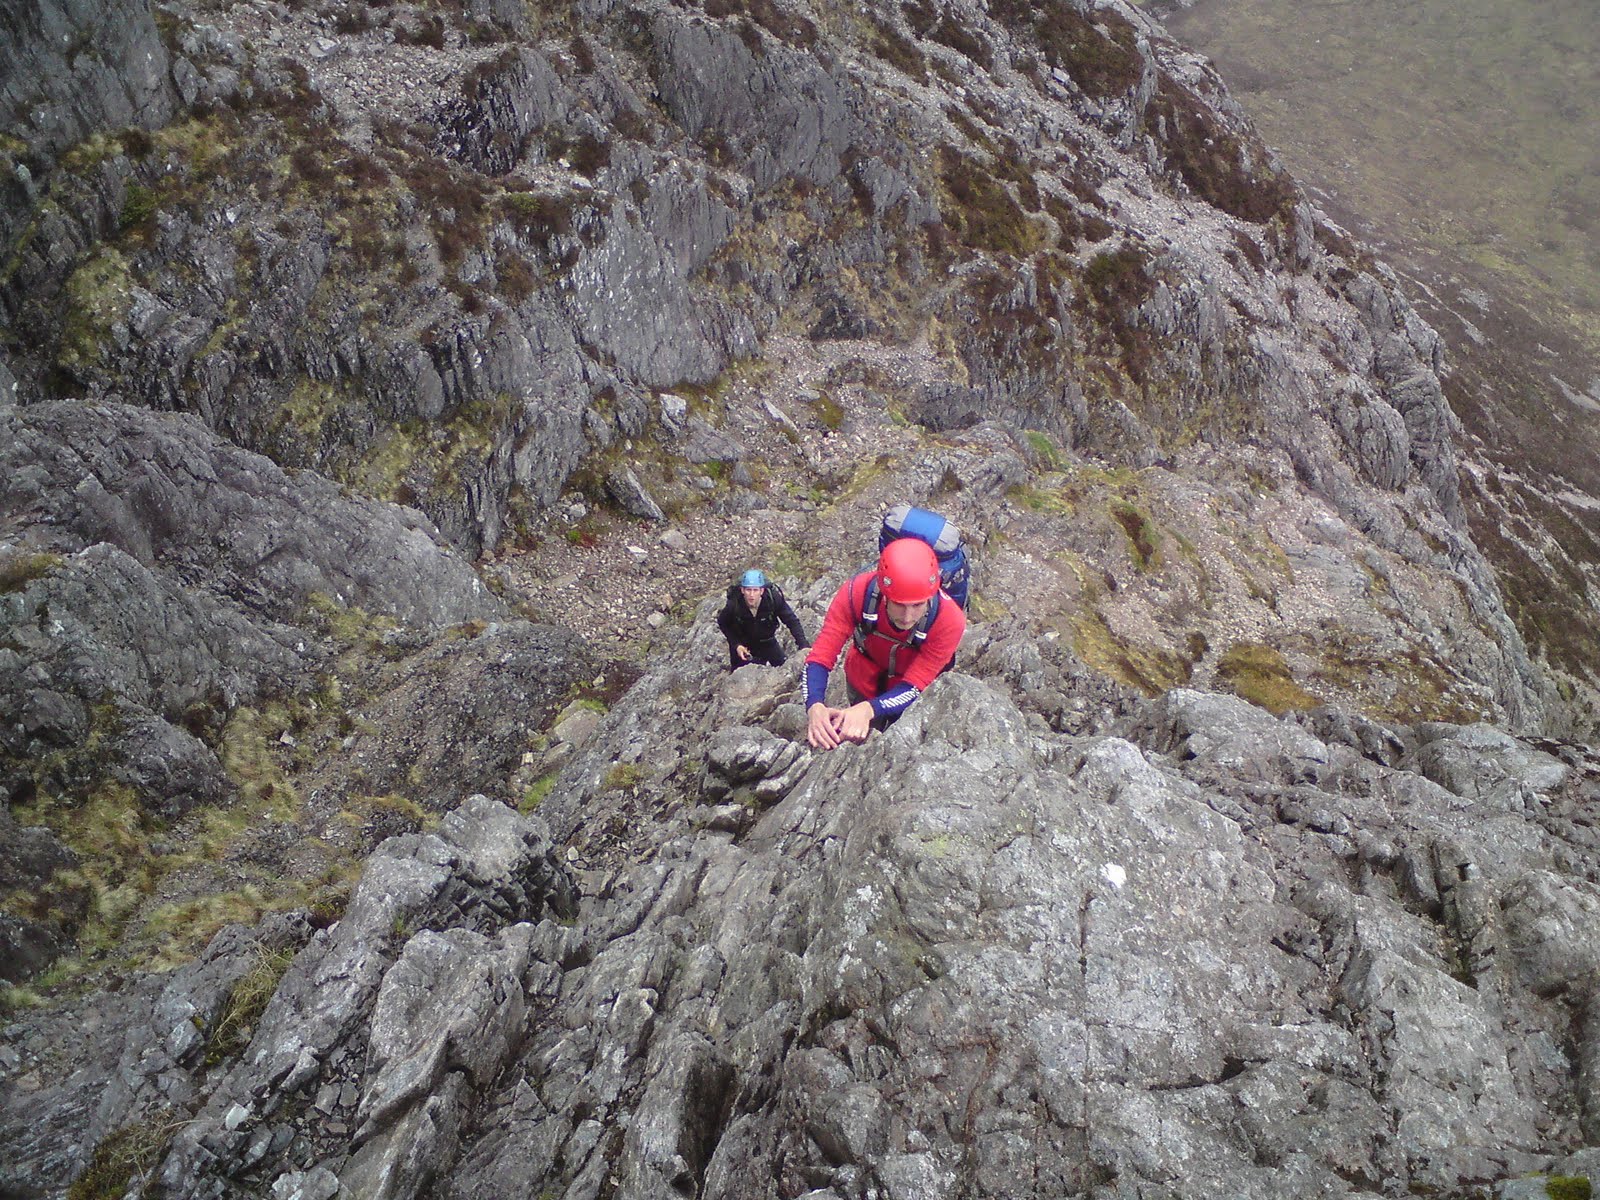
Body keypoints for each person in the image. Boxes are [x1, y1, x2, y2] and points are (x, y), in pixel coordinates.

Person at [804, 538, 966, 749]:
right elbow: (820, 656)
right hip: (862, 679)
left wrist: (868, 709)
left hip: (906, 693)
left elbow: (915, 685)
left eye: (917, 605)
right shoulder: (855, 593)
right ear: (883, 592)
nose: (908, 617)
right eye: (899, 604)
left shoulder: (949, 621)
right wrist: (815, 706)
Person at [717, 569, 810, 671]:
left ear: (762, 591)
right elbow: (723, 623)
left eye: (755, 590)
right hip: (744, 646)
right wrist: (737, 645)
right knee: (739, 677)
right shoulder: (734, 604)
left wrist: (803, 644)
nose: (751, 595)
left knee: (784, 669)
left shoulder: (773, 599)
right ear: (742, 590)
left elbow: (791, 621)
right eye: (748, 590)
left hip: (767, 641)